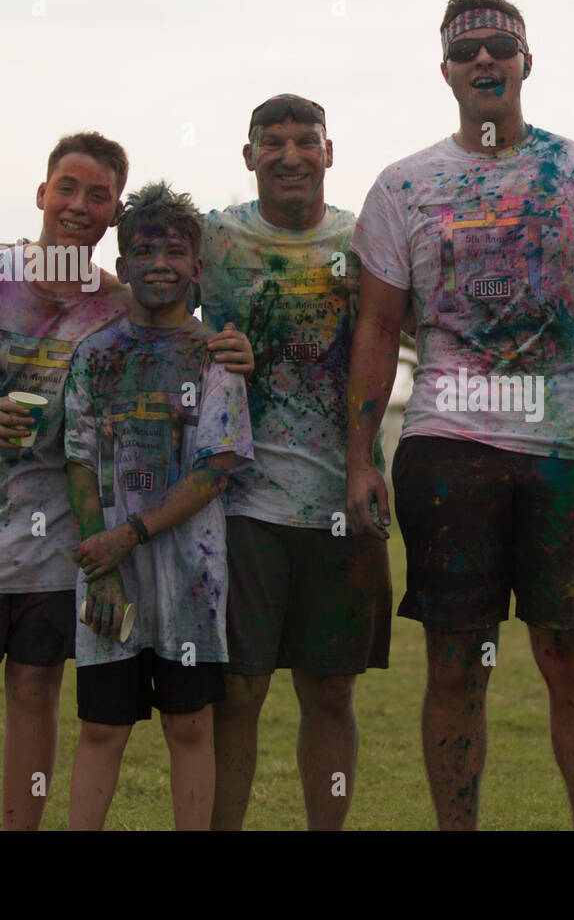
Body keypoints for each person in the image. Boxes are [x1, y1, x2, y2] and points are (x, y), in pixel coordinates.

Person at [345, 0, 574, 830]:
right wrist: (358, 457)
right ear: (445, 70)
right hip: (447, 445)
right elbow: (378, 329)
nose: (484, 62)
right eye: (467, 52)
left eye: (500, 48)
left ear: (527, 61)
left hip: (566, 449)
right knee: (455, 666)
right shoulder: (402, 185)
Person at [0, 132, 253, 830]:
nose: (78, 205)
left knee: (36, 688)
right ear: (42, 193)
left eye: (98, 194)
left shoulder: (115, 302)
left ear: (113, 211)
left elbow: (174, 321)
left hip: (67, 540)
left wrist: (235, 342)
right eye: (68, 187)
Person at [202, 95, 393, 831]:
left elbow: (420, 326)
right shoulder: (214, 240)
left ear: (329, 152)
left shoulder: (365, 240)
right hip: (240, 504)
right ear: (247, 155)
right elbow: (148, 314)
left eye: (304, 141)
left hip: (343, 504)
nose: (289, 155)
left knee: (331, 693)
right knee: (239, 693)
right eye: (271, 143)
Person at [64, 182, 253, 830]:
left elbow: (214, 471)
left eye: (175, 251)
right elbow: (80, 461)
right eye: (143, 251)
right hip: (106, 580)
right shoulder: (94, 356)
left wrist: (129, 535)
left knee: (190, 724)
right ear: (122, 267)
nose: (159, 263)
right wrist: (104, 562)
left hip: (193, 585)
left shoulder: (216, 355)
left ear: (197, 268)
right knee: (100, 729)